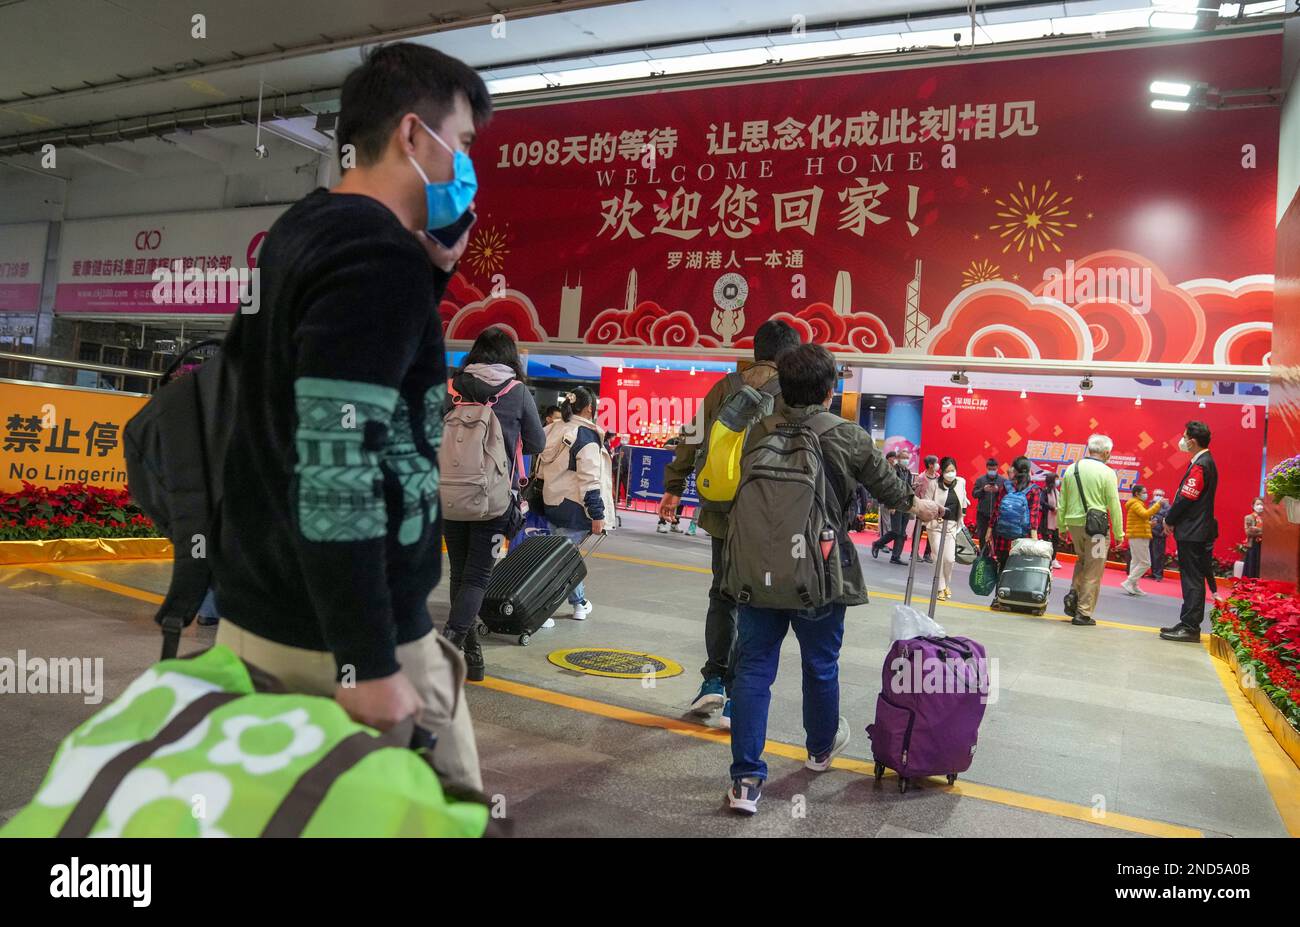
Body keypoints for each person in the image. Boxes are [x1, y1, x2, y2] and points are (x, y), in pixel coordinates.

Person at [209, 43, 491, 793]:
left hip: (262, 608)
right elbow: (339, 462)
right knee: (445, 809)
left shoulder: (303, 229)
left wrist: (427, 278)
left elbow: (268, 390)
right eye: (462, 143)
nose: (466, 163)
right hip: (343, 637)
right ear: (411, 135)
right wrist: (364, 660)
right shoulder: (378, 263)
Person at [724, 344, 942, 814]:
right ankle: (821, 749)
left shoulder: (757, 430)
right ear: (829, 390)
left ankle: (745, 781)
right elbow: (890, 489)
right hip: (820, 569)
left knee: (753, 669)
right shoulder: (848, 435)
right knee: (819, 664)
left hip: (756, 570)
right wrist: (920, 506)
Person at [659, 320, 801, 726]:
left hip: (721, 508)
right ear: (790, 355)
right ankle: (740, 694)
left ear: (756, 350)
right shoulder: (792, 390)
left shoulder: (726, 386)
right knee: (754, 599)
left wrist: (673, 486)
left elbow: (693, 435)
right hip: (768, 514)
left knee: (722, 594)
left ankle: (713, 682)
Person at [441, 327, 546, 681]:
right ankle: (449, 646)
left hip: (451, 496)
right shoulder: (516, 392)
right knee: (477, 577)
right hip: (493, 500)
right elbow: (537, 442)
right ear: (509, 356)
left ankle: (472, 657)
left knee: (460, 573)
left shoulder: (453, 388)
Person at [540, 386, 615, 622]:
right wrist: (597, 514)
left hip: (551, 502)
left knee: (564, 557)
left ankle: (579, 602)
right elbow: (590, 479)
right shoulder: (586, 436)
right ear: (590, 408)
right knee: (562, 562)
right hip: (575, 507)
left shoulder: (553, 429)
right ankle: (542, 610)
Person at [1058, 435, 1125, 627]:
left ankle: (1074, 594)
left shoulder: (1072, 469)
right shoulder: (1107, 472)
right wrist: (1119, 533)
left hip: (1074, 525)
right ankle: (1083, 613)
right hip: (1096, 530)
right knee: (1094, 569)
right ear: (1106, 452)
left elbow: (1063, 501)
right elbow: (1114, 504)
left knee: (1082, 561)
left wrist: (1062, 527)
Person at [1162, 421, 1218, 642]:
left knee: (1192, 579)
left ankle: (1190, 627)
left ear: (1192, 442)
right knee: (1191, 578)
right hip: (1195, 530)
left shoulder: (1201, 464)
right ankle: (1186, 621)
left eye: (1184, 437)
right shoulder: (1203, 462)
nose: (1182, 441)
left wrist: (1170, 518)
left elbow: (1187, 496)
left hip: (1193, 531)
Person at [985, 455, 1041, 611]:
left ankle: (998, 599)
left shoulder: (1006, 486)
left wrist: (989, 530)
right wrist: (1034, 540)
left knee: (1002, 565)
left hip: (1003, 534)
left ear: (1014, 470)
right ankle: (1014, 599)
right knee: (1019, 568)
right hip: (1021, 537)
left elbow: (997, 509)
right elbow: (1034, 515)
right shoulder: (1034, 490)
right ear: (1029, 471)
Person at [922, 456, 969, 601]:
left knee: (949, 559)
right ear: (942, 472)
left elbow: (964, 500)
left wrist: (963, 518)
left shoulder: (961, 482)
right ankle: (940, 588)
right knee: (938, 558)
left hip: (952, 527)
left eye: (953, 470)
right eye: (948, 471)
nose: (951, 473)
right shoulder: (934, 484)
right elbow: (927, 503)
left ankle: (946, 584)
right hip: (936, 526)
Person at [871, 449, 915, 564]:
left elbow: (908, 487)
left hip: (905, 504)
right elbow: (890, 488)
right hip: (895, 503)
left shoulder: (908, 472)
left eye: (907, 458)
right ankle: (877, 544)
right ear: (898, 459)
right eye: (903, 458)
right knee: (896, 531)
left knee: (902, 533)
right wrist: (891, 504)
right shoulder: (893, 470)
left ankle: (896, 556)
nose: (906, 460)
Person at [1121, 485, 1160, 597]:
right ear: (1137, 493)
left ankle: (1134, 586)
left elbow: (1140, 521)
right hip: (1138, 536)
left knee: (1136, 561)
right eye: (1144, 492)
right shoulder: (1136, 504)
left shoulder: (1136, 504)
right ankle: (1129, 582)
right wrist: (1158, 505)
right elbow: (1146, 514)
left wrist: (1149, 524)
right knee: (1146, 562)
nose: (1146, 494)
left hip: (1137, 535)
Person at [972, 458, 1006, 553]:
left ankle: (995, 556)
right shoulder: (980, 480)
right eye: (990, 469)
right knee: (982, 535)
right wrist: (983, 490)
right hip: (982, 513)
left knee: (996, 536)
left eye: (994, 469)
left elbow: (1007, 496)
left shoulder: (1003, 480)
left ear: (997, 468)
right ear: (987, 468)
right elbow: (974, 494)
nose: (992, 471)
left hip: (998, 514)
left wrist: (998, 491)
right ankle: (983, 555)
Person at [915, 454, 940, 562]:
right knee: (918, 531)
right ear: (930, 465)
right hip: (922, 506)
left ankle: (927, 554)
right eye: (936, 463)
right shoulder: (921, 477)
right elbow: (916, 493)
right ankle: (914, 553)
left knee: (932, 530)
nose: (937, 465)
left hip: (934, 508)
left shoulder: (938, 477)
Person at [1040, 471, 1063, 570]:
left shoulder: (1057, 492)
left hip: (1056, 520)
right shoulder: (1045, 491)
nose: (1058, 481)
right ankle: (1045, 559)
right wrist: (1052, 508)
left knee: (1055, 540)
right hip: (1047, 520)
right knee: (1046, 541)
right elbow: (1042, 502)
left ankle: (1053, 559)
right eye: (1056, 479)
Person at [1149, 488, 1170, 581]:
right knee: (1151, 554)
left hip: (1160, 533)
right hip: (1150, 532)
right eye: (1156, 494)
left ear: (1163, 496)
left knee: (1158, 555)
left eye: (1160, 495)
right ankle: (1153, 573)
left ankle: (1158, 575)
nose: (1157, 496)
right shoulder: (1151, 504)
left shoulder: (1167, 506)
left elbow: (1168, 518)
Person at [1244, 497, 1264, 579]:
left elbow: (1269, 534)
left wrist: (1257, 530)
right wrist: (1262, 531)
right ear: (1253, 506)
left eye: (1262, 504)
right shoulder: (1248, 517)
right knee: (1252, 564)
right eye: (1258, 504)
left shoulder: (1267, 519)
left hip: (1264, 545)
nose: (1260, 506)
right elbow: (1249, 532)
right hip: (1253, 544)